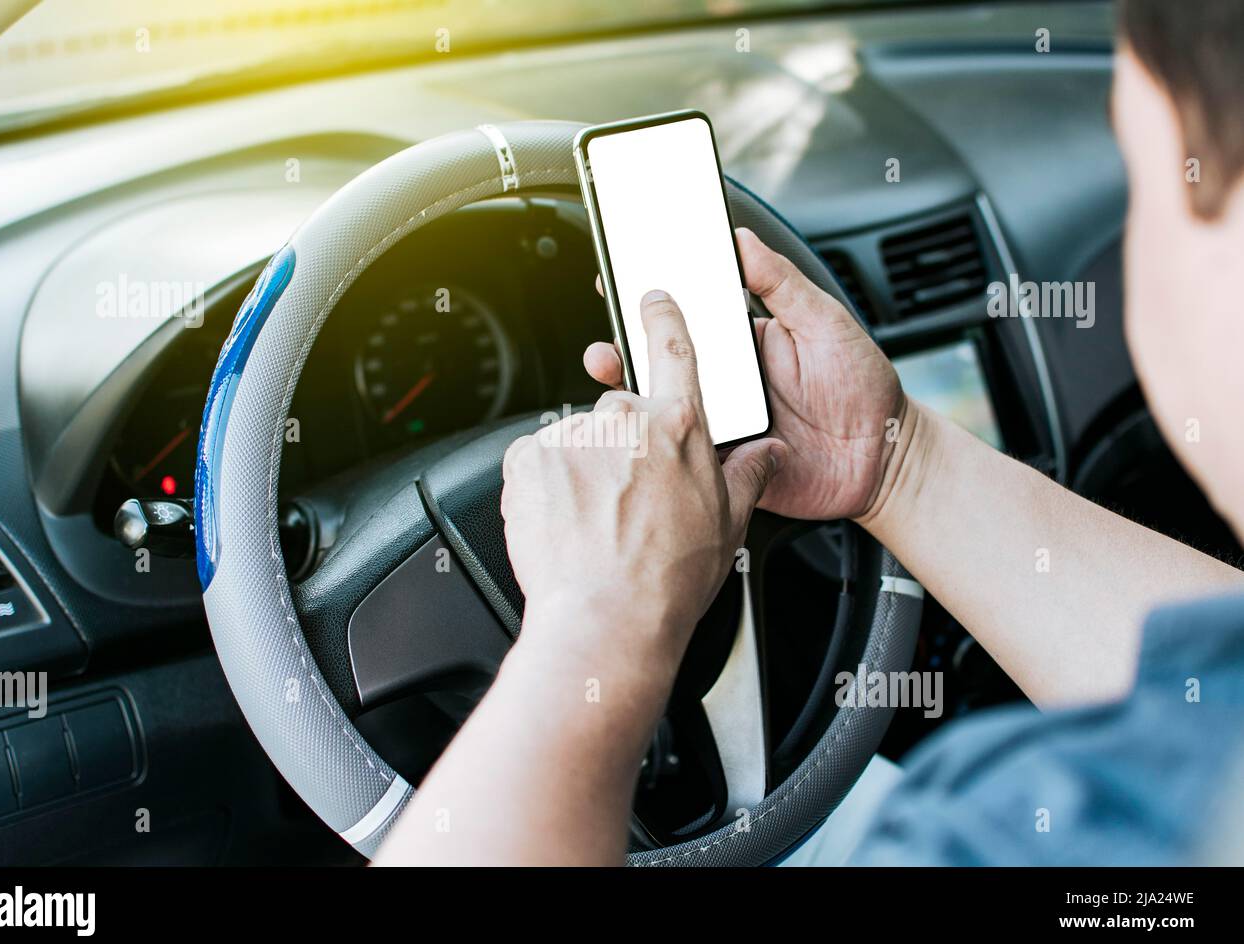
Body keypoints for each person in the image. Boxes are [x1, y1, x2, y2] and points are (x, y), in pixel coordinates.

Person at [375, 0, 1244, 866]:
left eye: (1139, 167)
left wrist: (595, 613)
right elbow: (1207, 704)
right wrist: (898, 462)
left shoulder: (1002, 831)